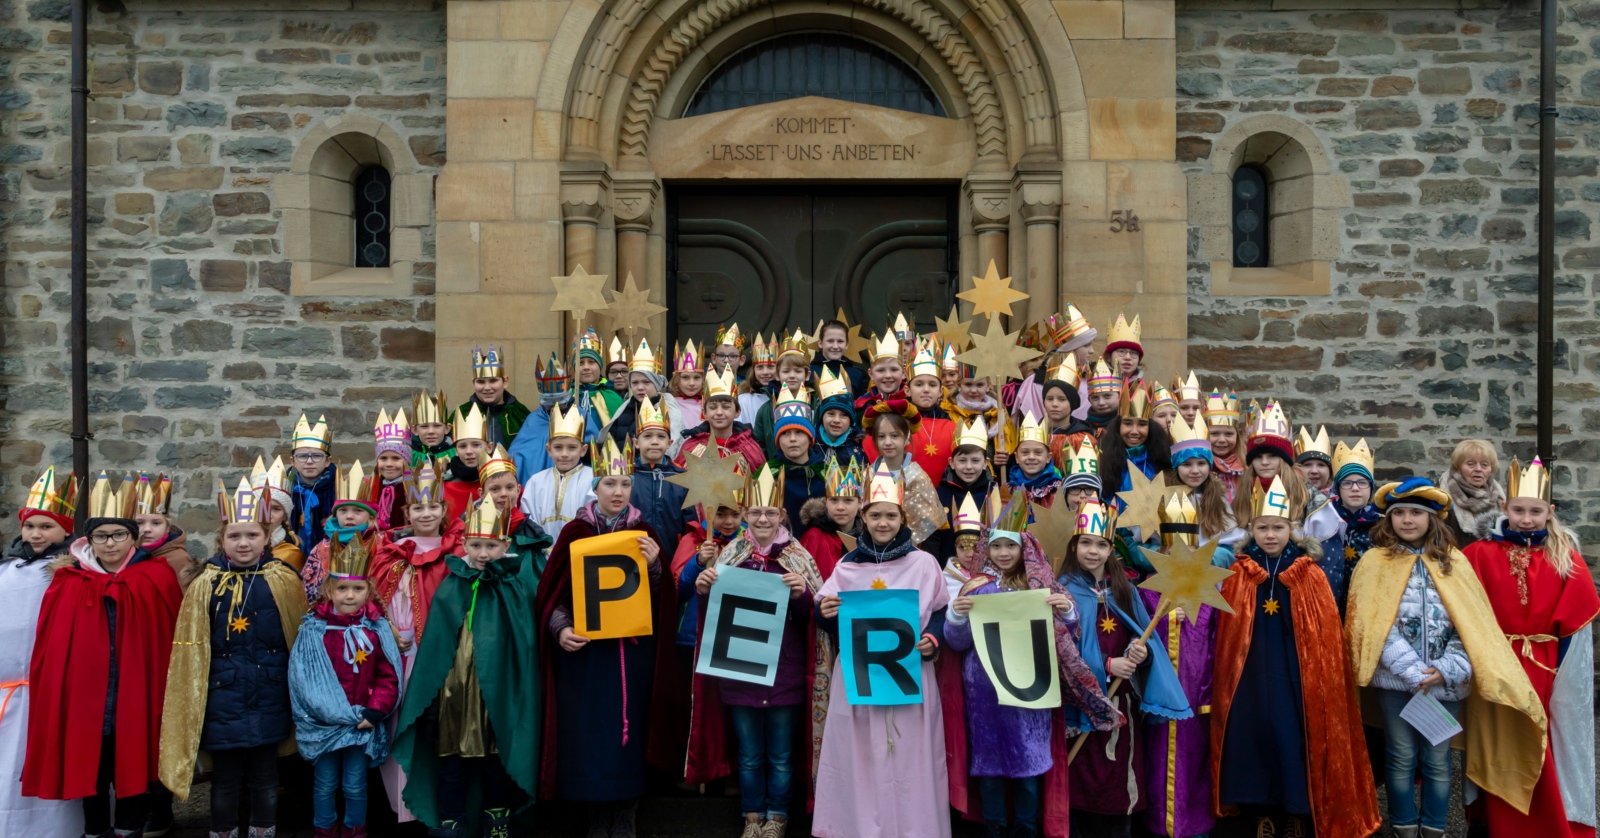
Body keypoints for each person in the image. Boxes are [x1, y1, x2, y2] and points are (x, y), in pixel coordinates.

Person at [1346, 477, 1545, 838]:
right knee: (1401, 755)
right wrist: (1411, 671)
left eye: (1416, 513)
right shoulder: (1374, 562)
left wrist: (1444, 670)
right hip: (1396, 682)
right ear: (1388, 519)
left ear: (1433, 518)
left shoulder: (1455, 564)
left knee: (1437, 760)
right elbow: (1371, 623)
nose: (1407, 520)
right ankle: (1404, 825)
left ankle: (1435, 827)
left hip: (1445, 684)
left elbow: (1470, 624)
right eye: (1400, 513)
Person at [1209, 475, 1379, 838]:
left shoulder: (1308, 573)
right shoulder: (1238, 573)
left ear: (1293, 529)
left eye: (1278, 528)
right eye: (1263, 528)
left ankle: (1296, 811)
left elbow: (1324, 634)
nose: (1270, 535)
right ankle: (1259, 811)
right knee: (1252, 732)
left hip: (1295, 671)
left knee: (1293, 733)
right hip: (1249, 672)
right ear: (1250, 528)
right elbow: (1225, 629)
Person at [23, 471, 182, 837]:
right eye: (101, 536)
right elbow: (51, 645)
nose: (110, 544)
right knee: (90, 768)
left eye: (119, 535)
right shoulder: (69, 581)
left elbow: (168, 639)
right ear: (88, 538)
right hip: (85, 698)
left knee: (135, 763)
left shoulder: (154, 577)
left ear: (133, 537)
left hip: (137, 693)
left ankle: (130, 828)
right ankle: (94, 830)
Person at [945, 506, 1119, 838]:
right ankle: (994, 827)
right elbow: (956, 642)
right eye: (996, 546)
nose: (1004, 553)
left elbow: (1068, 633)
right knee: (991, 770)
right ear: (987, 548)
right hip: (985, 694)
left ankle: (1027, 828)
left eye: (1010, 545)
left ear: (1024, 546)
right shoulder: (975, 588)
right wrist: (957, 616)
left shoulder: (1042, 584)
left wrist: (1067, 613)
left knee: (1028, 770)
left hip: (1030, 693)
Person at [536, 437, 677, 837]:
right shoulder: (575, 532)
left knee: (628, 731)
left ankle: (626, 813)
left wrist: (653, 567)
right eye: (609, 485)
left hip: (632, 656)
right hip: (587, 658)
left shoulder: (644, 532)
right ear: (595, 488)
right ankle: (595, 817)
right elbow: (552, 594)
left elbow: (662, 599)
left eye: (624, 485)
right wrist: (561, 628)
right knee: (591, 734)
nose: (618, 492)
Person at [160, 472, 309, 838]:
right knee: (225, 780)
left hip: (271, 695)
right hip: (221, 698)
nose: (243, 543)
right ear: (221, 539)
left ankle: (264, 830)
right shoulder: (206, 583)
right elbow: (192, 648)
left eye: (252, 535)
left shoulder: (284, 579)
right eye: (235, 536)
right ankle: (222, 831)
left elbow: (297, 637)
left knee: (265, 776)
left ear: (265, 538)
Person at [687, 465, 832, 838]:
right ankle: (752, 817)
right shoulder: (732, 553)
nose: (763, 519)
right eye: (755, 513)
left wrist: (802, 595)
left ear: (782, 515)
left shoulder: (797, 556)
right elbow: (711, 615)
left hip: (785, 674)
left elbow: (814, 620)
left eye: (770, 513)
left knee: (781, 757)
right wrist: (703, 587)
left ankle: (777, 817)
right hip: (741, 674)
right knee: (750, 755)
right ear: (746, 514)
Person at [391, 497, 546, 837]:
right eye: (475, 545)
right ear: (463, 543)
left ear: (505, 544)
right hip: (453, 697)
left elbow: (525, 644)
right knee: (451, 761)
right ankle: (451, 820)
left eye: (490, 546)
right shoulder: (453, 585)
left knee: (498, 759)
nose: (482, 554)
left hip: (498, 697)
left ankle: (497, 819)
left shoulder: (514, 588)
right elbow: (435, 646)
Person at [1463, 457, 1600, 838]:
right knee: (1496, 740)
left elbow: (1576, 623)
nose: (1526, 519)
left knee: (1543, 742)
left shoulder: (1564, 558)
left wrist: (1566, 679)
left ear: (1549, 512)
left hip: (1544, 665)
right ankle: (1494, 822)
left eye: (1535, 511)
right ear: (1504, 507)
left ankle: (1548, 825)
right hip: (1495, 661)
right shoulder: (1479, 554)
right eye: (1519, 510)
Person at [812, 465, 951, 838]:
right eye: (876, 515)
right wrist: (824, 614)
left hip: (908, 675)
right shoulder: (847, 564)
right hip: (860, 677)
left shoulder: (923, 563)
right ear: (864, 517)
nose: (883, 522)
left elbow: (939, 610)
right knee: (861, 759)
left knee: (910, 760)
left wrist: (933, 640)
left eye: (891, 515)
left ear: (902, 517)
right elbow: (826, 611)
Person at [1059, 500, 1190, 837]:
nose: (1092, 551)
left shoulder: (1124, 590)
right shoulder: (1063, 592)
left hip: (1121, 705)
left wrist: (1139, 653)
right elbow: (1059, 650)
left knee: (1118, 788)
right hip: (1080, 707)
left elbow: (1145, 641)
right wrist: (1105, 666)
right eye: (1085, 543)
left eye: (1101, 544)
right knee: (1079, 788)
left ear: (1110, 548)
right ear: (1074, 545)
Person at [288, 538, 402, 838]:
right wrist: (321, 711)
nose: (350, 595)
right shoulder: (314, 629)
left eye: (358, 589)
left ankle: (355, 829)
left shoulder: (376, 631)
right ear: (329, 590)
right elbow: (302, 675)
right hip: (323, 724)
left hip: (360, 722)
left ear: (369, 591)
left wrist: (374, 711)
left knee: (355, 783)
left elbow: (388, 676)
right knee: (324, 783)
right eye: (342, 588)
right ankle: (324, 829)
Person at [368, 460, 460, 824]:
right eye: (418, 507)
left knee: (434, 731)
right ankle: (401, 809)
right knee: (397, 729)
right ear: (406, 511)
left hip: (438, 659)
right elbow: (374, 602)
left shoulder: (458, 552)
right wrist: (389, 633)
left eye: (433, 506)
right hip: (398, 658)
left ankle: (434, 808)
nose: (426, 513)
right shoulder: (390, 553)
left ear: (443, 510)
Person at [1140, 493, 1232, 838]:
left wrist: (1208, 692)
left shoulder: (1211, 594)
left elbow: (1216, 644)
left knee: (1194, 761)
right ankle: (1158, 825)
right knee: (1156, 759)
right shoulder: (1147, 593)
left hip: (1197, 695)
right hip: (1158, 696)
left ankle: (1194, 826)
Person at [0, 468, 82, 835]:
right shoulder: (5, 572)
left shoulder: (72, 573)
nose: (36, 534)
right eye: (30, 526)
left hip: (49, 692)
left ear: (65, 531)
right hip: (8, 692)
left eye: (46, 527)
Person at [302, 462, 387, 603]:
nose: (349, 516)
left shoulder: (381, 543)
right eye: (343, 510)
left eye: (358, 511)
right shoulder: (322, 548)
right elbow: (309, 586)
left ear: (370, 516)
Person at [1317, 438, 1380, 615]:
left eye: (1362, 482)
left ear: (1370, 488)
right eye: (1347, 483)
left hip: (1368, 605)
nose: (1354, 488)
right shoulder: (1323, 520)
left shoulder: (1381, 525)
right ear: (1338, 488)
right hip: (1329, 604)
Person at [628, 396, 692, 552]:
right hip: (632, 555)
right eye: (647, 436)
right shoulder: (626, 476)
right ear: (636, 443)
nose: (655, 442)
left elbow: (690, 524)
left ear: (669, 443)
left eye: (661, 436)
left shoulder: (682, 478)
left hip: (671, 553)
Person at [1162, 413, 1237, 547]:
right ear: (1176, 467)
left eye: (1201, 463)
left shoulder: (1217, 496)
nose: (1195, 471)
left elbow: (1228, 542)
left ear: (1209, 465)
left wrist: (1212, 558)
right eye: (1186, 464)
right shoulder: (1163, 496)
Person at [519, 404, 595, 533]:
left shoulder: (593, 480)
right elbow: (528, 519)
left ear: (583, 450)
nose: (564, 454)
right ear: (549, 449)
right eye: (558, 447)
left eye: (572, 448)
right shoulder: (536, 481)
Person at [677, 366, 766, 473]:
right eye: (713, 407)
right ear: (704, 413)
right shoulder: (691, 448)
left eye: (726, 407)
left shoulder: (750, 448)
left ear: (737, 412)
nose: (719, 412)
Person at [768, 385, 827, 538]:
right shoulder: (767, 475)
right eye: (785, 434)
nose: (792, 439)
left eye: (799, 432)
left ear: (810, 438)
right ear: (777, 440)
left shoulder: (825, 473)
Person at [799, 454, 864, 580]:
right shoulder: (814, 536)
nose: (840, 507)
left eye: (848, 500)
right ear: (826, 502)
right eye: (834, 500)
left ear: (860, 502)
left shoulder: (868, 536)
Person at [132, 472, 201, 590]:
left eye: (156, 523)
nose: (147, 529)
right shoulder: (123, 555)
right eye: (139, 523)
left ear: (167, 528)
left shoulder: (179, 560)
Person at [458, 346, 531, 449]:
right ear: (473, 383)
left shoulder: (520, 414)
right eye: (481, 382)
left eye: (493, 381)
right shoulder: (462, 413)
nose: (487, 388)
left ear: (505, 381)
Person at [289, 412, 338, 552]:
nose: (309, 461)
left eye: (316, 456)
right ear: (292, 461)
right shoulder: (284, 485)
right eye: (303, 456)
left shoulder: (338, 486)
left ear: (328, 461)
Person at [1440, 438, 1506, 544]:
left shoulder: (1498, 497)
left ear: (1491, 469)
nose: (1478, 469)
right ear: (1458, 467)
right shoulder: (1441, 497)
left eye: (1484, 465)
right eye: (1470, 464)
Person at [442, 404, 491, 524]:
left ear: (489, 447)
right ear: (456, 450)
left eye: (476, 445)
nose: (469, 451)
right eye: (462, 446)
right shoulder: (443, 485)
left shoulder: (499, 482)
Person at [1005, 412, 1063, 506]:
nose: (1031, 457)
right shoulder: (1009, 490)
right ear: (1016, 458)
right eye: (1025, 452)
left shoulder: (1058, 489)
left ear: (1048, 457)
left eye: (1038, 452)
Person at [370, 408, 413, 531]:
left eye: (396, 458)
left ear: (407, 461)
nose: (389, 464)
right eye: (383, 458)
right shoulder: (372, 487)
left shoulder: (412, 489)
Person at [812, 367, 863, 466]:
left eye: (844, 415)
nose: (836, 420)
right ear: (822, 416)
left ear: (851, 421)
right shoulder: (811, 446)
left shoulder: (858, 448)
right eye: (831, 414)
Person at [667, 340, 706, 457]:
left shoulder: (709, 404)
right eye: (685, 378)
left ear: (703, 380)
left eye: (696, 378)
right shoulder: (669, 403)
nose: (692, 383)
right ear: (676, 380)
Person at [809, 318, 868, 396]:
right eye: (830, 341)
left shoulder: (858, 374)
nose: (835, 346)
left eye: (840, 341)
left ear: (846, 345)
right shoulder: (808, 372)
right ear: (820, 343)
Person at [409, 390, 456, 469]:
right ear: (415, 430)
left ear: (447, 429)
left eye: (437, 426)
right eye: (424, 426)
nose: (431, 431)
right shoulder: (410, 455)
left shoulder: (455, 453)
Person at [1103, 314, 1143, 384]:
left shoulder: (1144, 392)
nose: (1128, 357)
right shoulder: (1095, 389)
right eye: (1121, 351)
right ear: (1109, 357)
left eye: (1133, 353)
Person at [1293, 426, 1333, 495]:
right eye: (1307, 465)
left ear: (1330, 472)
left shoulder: (1342, 502)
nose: (1314, 471)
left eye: (1321, 465)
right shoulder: (1285, 501)